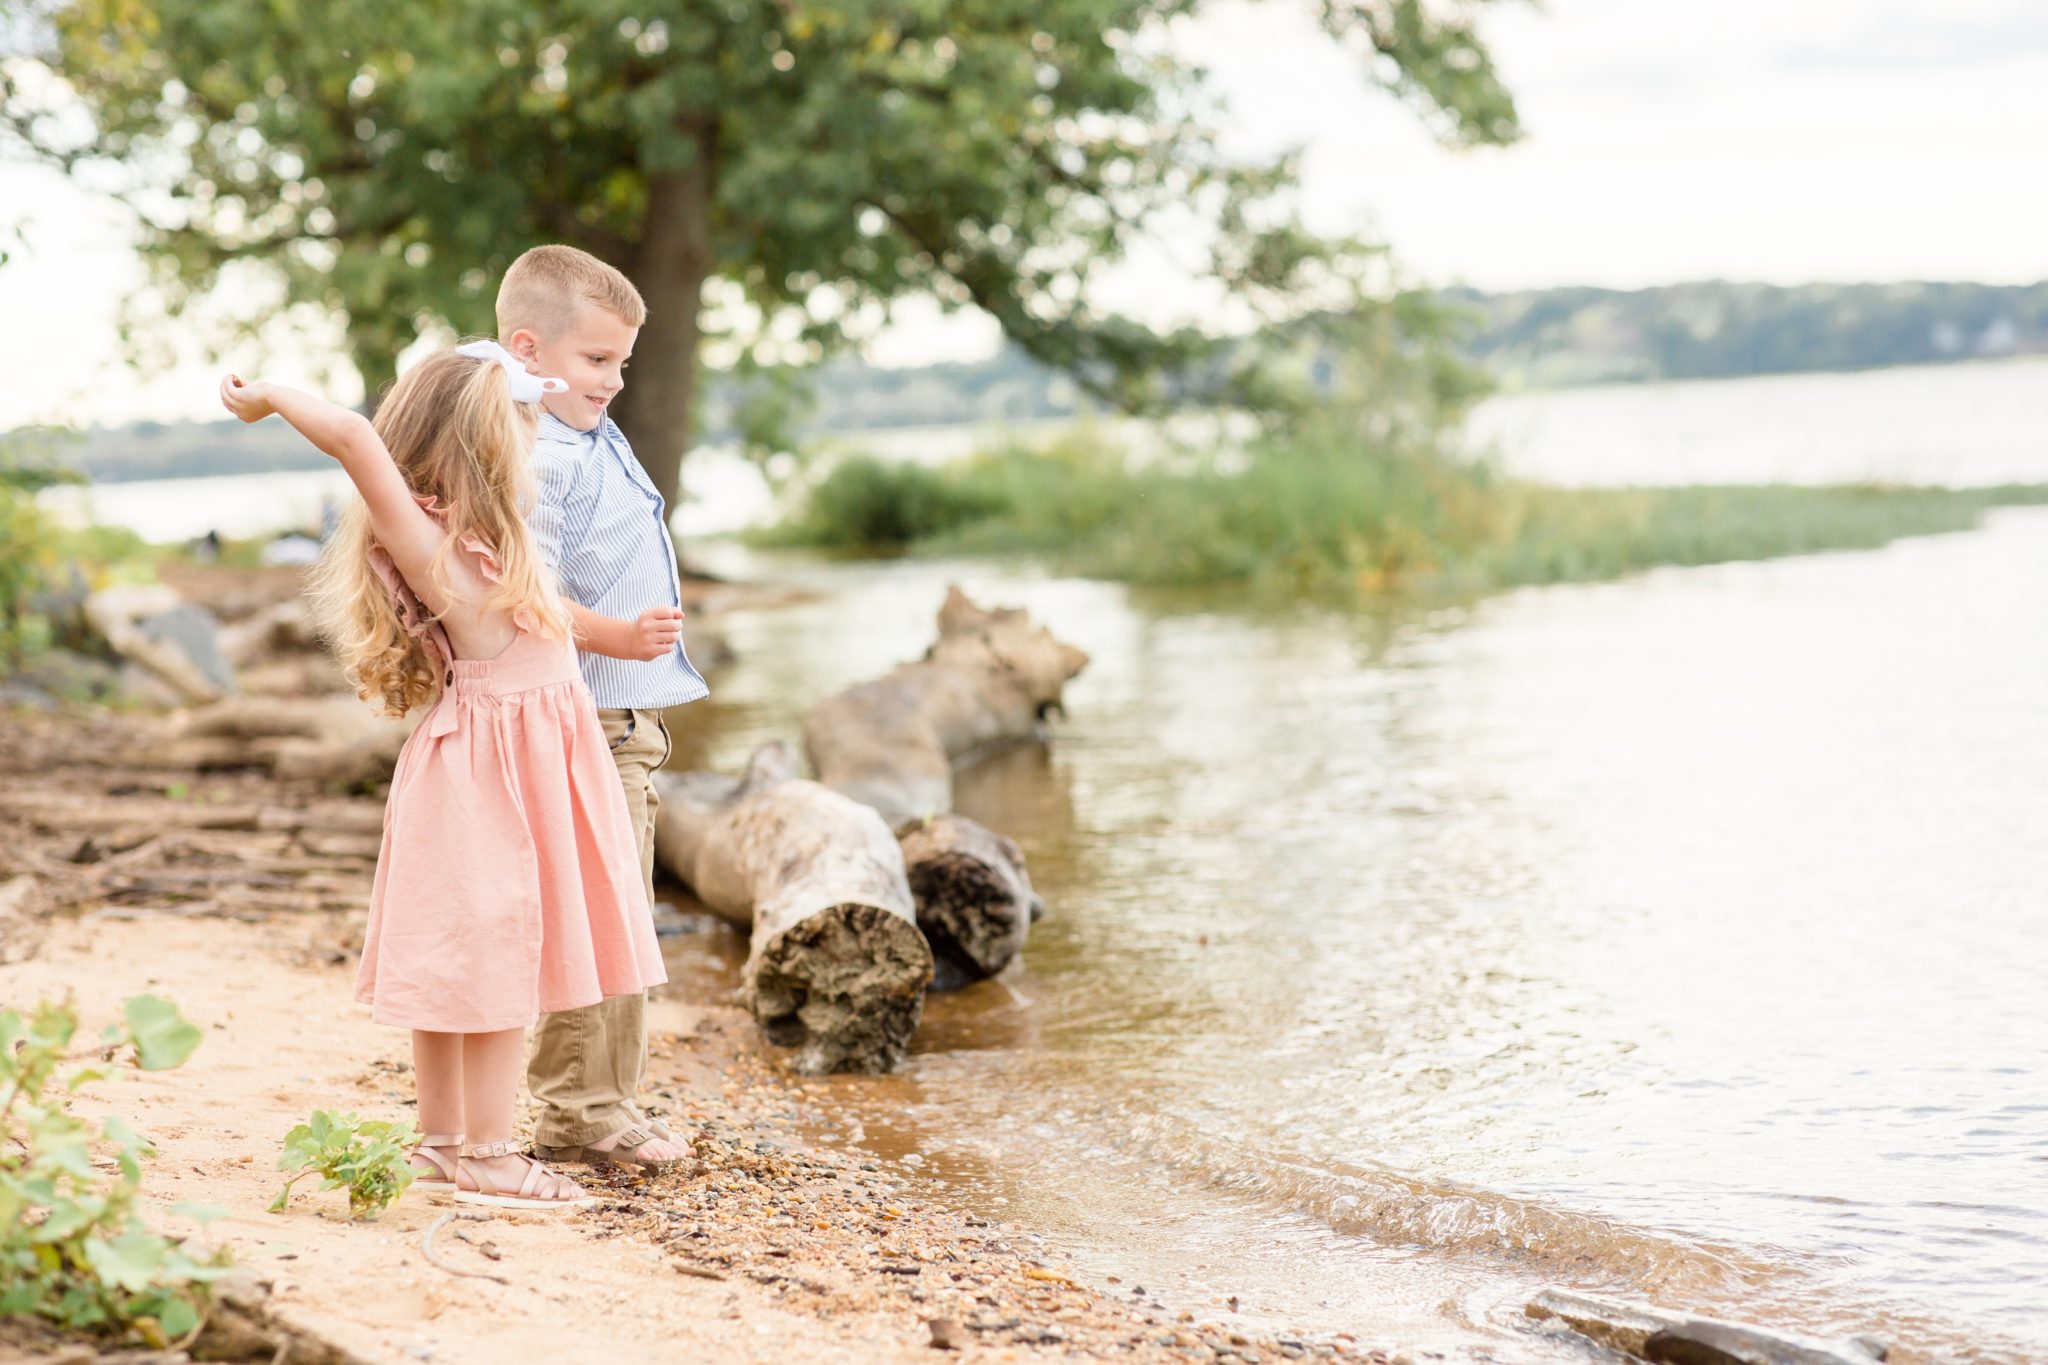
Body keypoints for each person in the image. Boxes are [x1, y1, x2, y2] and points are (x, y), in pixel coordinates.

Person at [218, 344, 667, 1210]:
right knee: (492, 963)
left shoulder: (496, 552)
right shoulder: (433, 550)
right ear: (482, 450)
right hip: (486, 781)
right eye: (522, 431)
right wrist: (271, 394)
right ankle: (487, 1155)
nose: (534, 447)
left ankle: (441, 1145)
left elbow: (554, 618)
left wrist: (626, 637)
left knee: (470, 957)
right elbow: (356, 439)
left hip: (510, 773)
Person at [491, 244, 709, 1170]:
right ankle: (581, 1110)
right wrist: (616, 636)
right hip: (589, 722)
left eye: (622, 361)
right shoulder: (539, 450)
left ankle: (606, 1097)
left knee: (622, 904)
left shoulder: (581, 428)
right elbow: (520, 583)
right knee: (604, 909)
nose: (615, 380)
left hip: (628, 724)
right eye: (596, 359)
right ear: (526, 350)